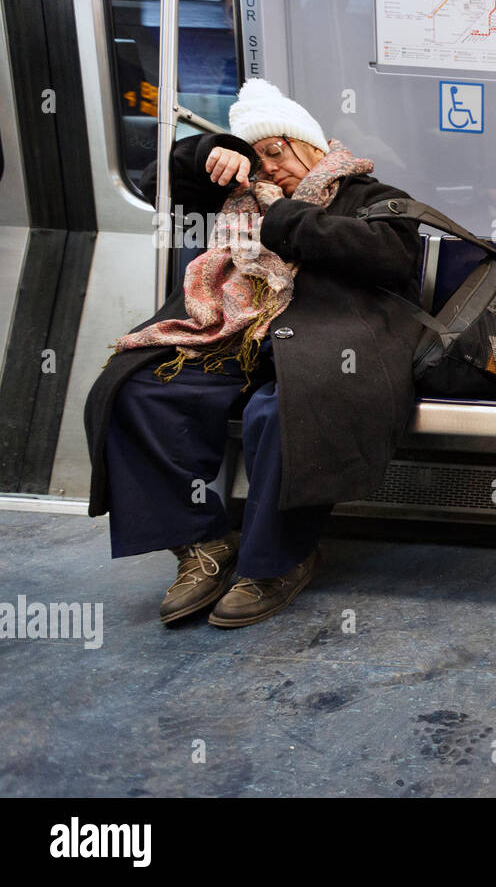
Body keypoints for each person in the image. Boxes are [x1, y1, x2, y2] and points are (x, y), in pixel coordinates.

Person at [84, 78, 423, 628]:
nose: (269, 172)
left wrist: (282, 216)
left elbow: (389, 258)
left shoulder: (369, 195)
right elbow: (160, 180)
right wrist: (214, 152)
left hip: (327, 341)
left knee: (283, 410)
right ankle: (202, 543)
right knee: (139, 389)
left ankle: (278, 559)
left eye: (274, 152)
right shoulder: (233, 199)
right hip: (233, 334)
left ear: (309, 144)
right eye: (256, 162)